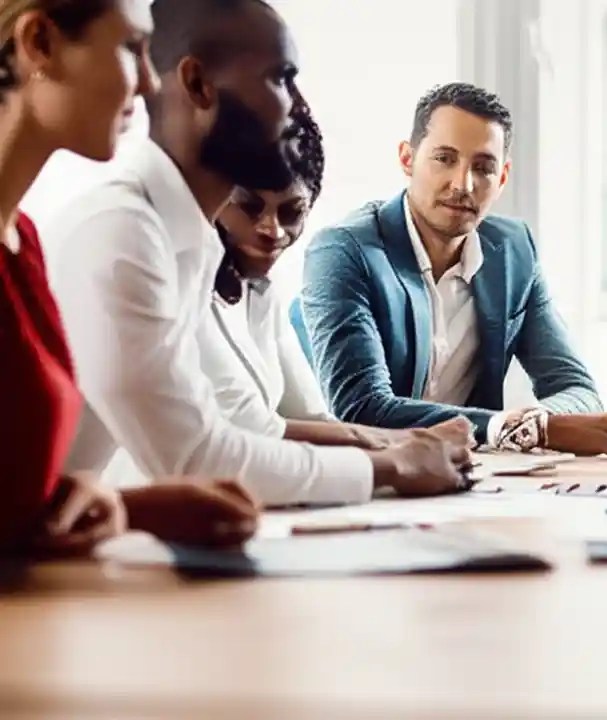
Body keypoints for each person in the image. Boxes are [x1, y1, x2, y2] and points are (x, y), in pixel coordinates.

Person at [47, 0, 472, 509]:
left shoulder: (190, 239)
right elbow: (195, 455)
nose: (296, 105)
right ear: (199, 85)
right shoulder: (122, 231)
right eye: (280, 79)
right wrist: (394, 464)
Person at [0, 0, 259, 553]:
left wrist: (126, 506)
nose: (148, 82)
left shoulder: (22, 243)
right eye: (131, 48)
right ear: (39, 43)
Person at [301, 82, 607, 459]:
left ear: (502, 178)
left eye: (483, 167)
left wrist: (537, 426)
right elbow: (362, 408)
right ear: (407, 158)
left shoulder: (513, 251)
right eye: (444, 159)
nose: (462, 184)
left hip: (470, 476)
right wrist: (523, 430)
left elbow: (577, 388)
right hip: (367, 476)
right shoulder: (343, 251)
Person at [203, 100, 457, 452]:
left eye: (292, 212)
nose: (272, 230)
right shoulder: (184, 287)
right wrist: (400, 442)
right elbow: (253, 429)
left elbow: (312, 417)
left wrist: (412, 446)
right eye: (249, 206)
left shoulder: (261, 291)